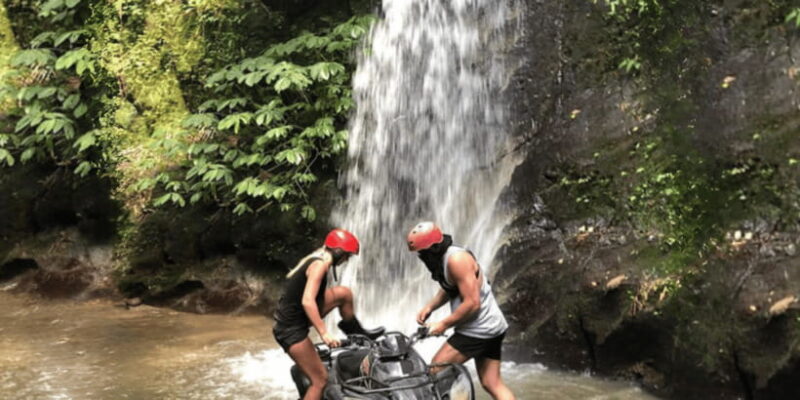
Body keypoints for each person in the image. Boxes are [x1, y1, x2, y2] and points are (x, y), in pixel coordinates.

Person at [407, 221, 516, 400]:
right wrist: (430, 306)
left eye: (423, 253)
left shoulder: (457, 260)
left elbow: (472, 304)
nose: (421, 257)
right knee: (491, 383)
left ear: (433, 248)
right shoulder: (446, 259)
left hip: (479, 330)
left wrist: (443, 324)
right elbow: (451, 286)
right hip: (493, 327)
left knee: (436, 370)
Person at [273, 228, 384, 400]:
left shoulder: (317, 258)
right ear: (339, 252)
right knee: (320, 380)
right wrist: (324, 333)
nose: (347, 260)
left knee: (343, 294)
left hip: (296, 319)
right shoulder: (319, 265)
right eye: (347, 255)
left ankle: (357, 334)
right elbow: (307, 301)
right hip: (290, 329)